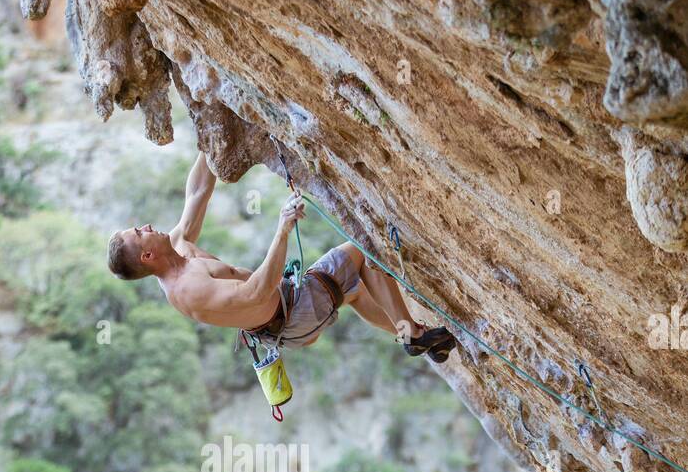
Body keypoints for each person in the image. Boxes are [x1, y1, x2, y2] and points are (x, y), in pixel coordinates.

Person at [106, 152, 456, 360]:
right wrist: (282, 229)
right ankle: (410, 333)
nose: (147, 225)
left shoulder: (179, 247)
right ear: (149, 255)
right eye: (139, 232)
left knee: (354, 290)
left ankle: (416, 337)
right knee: (360, 253)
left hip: (288, 314)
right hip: (293, 314)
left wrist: (205, 136)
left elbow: (198, 190)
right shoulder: (187, 289)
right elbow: (256, 292)